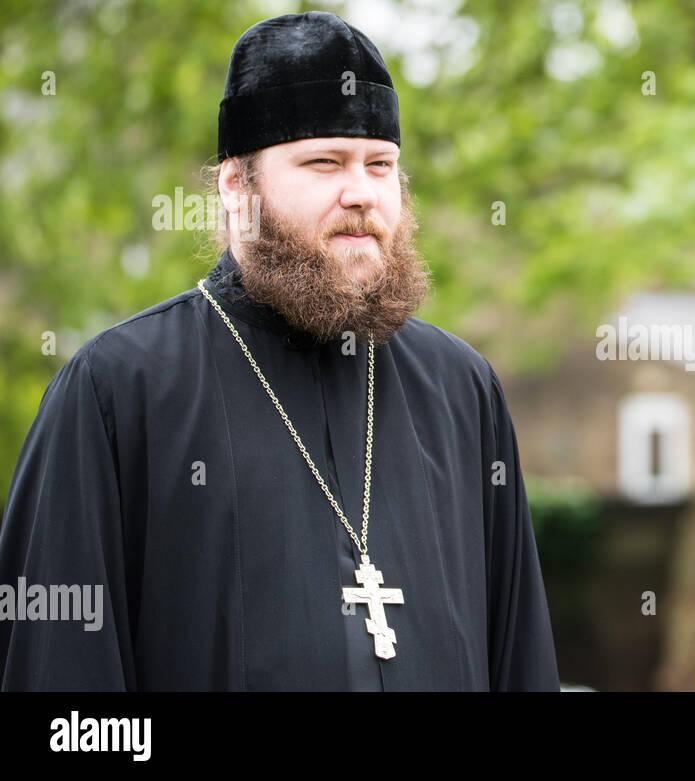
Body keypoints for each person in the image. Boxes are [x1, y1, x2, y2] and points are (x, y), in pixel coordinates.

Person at [0, 12, 559, 691]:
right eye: (324, 162)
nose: (360, 193)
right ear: (238, 187)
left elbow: (521, 659)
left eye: (380, 165)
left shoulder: (462, 389)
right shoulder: (117, 391)